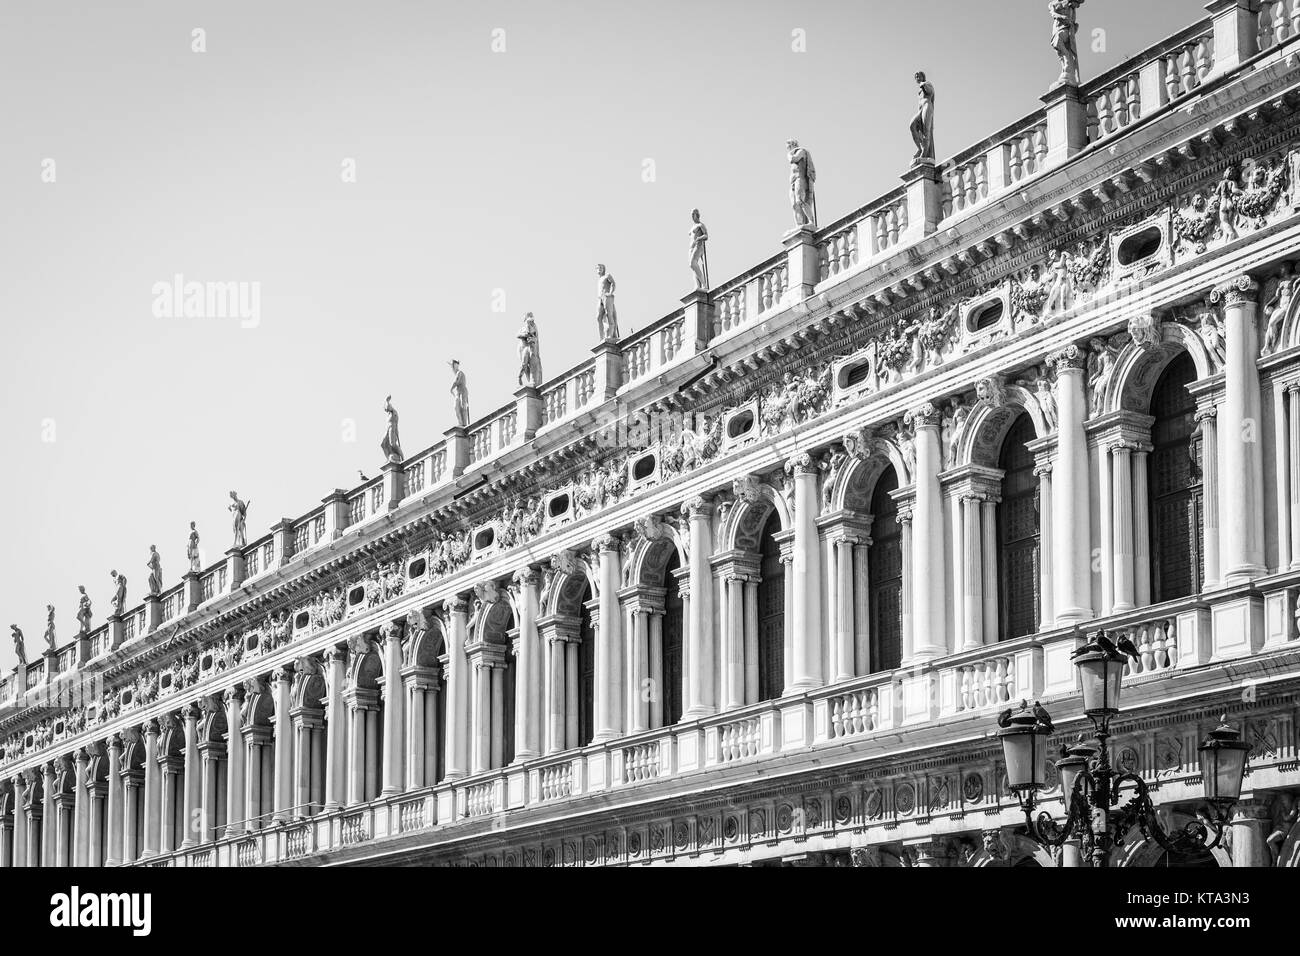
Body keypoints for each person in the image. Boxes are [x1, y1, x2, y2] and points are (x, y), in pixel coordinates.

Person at [1049, 0, 1085, 87]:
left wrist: (1072, 23)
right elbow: (1053, 13)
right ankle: (1066, 65)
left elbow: (1079, 4)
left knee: (1058, 42)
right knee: (1058, 48)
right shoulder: (1052, 4)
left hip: (1066, 26)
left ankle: (1068, 64)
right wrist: (1061, 16)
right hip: (1057, 26)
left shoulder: (1069, 2)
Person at [787, 140, 817, 228]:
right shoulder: (794, 152)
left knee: (800, 200)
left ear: (793, 144)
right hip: (793, 181)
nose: (788, 149)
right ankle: (799, 224)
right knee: (794, 204)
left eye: (788, 147)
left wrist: (789, 154)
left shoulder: (801, 151)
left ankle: (811, 221)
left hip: (800, 179)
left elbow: (793, 159)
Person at [910, 72, 935, 164]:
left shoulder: (927, 84)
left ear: (923, 77)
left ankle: (925, 152)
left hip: (927, 106)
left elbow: (930, 92)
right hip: (920, 110)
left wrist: (923, 84)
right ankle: (920, 148)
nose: (917, 78)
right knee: (912, 126)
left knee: (926, 130)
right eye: (916, 77)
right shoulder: (919, 90)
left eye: (919, 76)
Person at [516, 313, 542, 388]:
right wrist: (525, 335)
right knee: (524, 364)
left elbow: (535, 337)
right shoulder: (523, 328)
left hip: (530, 347)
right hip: (523, 348)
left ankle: (531, 380)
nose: (529, 321)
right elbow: (518, 335)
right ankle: (520, 377)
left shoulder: (534, 327)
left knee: (531, 363)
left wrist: (531, 337)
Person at [595, 265, 619, 341]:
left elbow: (613, 283)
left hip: (607, 297)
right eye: (598, 268)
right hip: (600, 299)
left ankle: (611, 335)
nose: (599, 270)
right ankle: (602, 336)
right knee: (599, 317)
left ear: (603, 269)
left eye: (601, 268)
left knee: (609, 315)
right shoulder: (599, 279)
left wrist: (610, 293)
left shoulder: (607, 275)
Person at [688, 209, 709, 290]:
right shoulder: (692, 226)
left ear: (697, 215)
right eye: (691, 215)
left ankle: (704, 284)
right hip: (691, 247)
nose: (692, 217)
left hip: (698, 245)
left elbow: (706, 236)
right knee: (693, 267)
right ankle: (697, 285)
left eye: (693, 215)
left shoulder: (700, 225)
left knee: (692, 263)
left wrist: (699, 238)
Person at [381, 395, 403, 462]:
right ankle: (388, 459)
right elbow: (386, 407)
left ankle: (402, 457)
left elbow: (388, 406)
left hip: (392, 428)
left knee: (392, 444)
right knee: (383, 444)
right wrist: (385, 401)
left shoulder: (394, 412)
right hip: (388, 429)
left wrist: (386, 400)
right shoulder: (389, 414)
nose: (386, 409)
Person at [450, 360, 470, 427]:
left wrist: (451, 388)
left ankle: (464, 423)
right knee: (456, 407)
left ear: (456, 365)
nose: (452, 368)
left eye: (453, 366)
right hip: (458, 392)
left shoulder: (460, 372)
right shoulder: (457, 373)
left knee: (463, 407)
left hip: (462, 391)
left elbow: (457, 382)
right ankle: (461, 423)